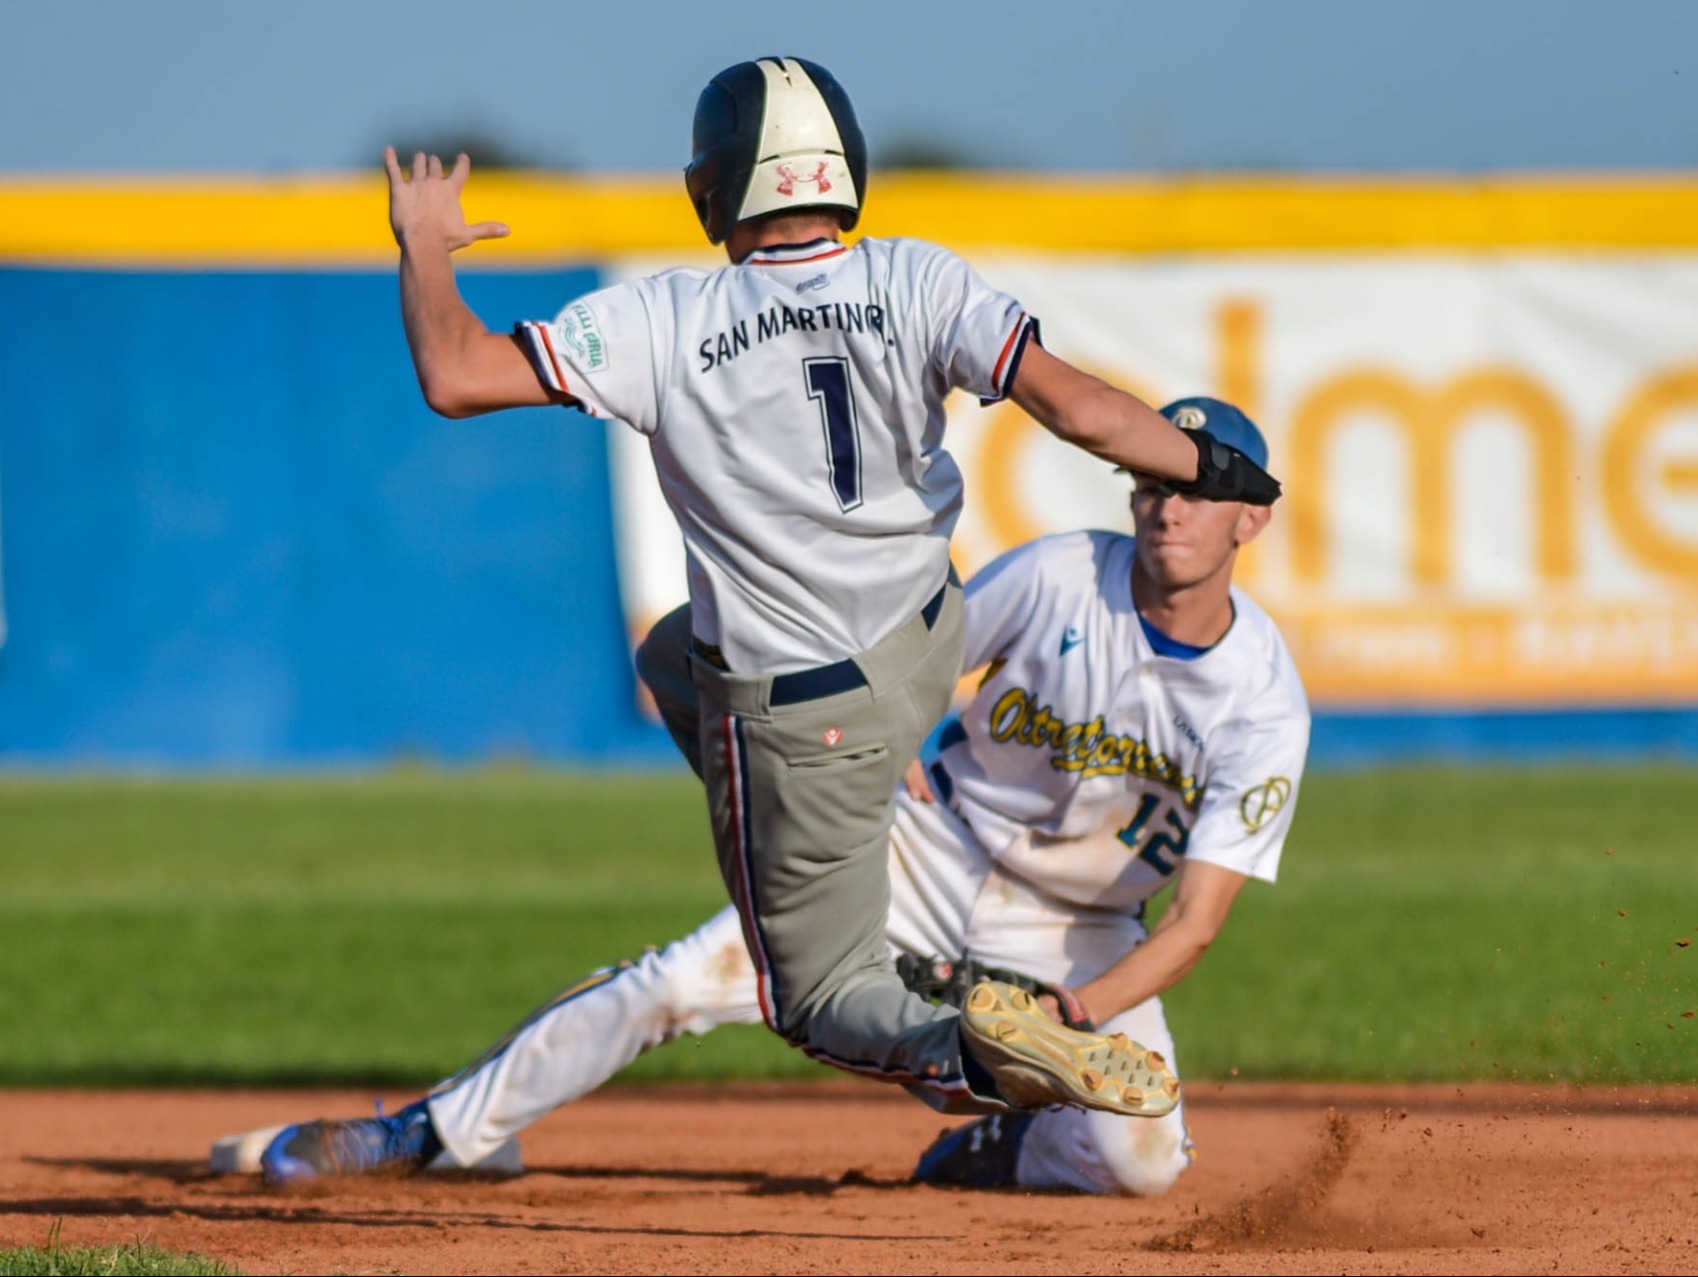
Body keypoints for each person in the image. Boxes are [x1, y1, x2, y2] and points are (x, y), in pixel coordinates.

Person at [283, 53, 1282, 1169]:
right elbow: (1086, 412)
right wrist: (1209, 460)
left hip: (801, 714)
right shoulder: (917, 276)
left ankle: (981, 1057)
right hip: (919, 643)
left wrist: (423, 244)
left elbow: (456, 374)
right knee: (676, 652)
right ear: (841, 171)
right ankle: (797, 865)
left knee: (813, 997)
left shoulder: (665, 314)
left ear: (712, 187)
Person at [258, 397, 1308, 1193]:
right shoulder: (1061, 574)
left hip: (1086, 930)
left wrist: (1070, 1021)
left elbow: (1198, 921)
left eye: (1199, 488)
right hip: (928, 847)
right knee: (679, 980)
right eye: (1152, 480)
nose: (1169, 504)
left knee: (1142, 1156)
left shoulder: (1261, 701)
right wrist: (883, 739)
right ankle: (430, 1133)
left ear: (1249, 521)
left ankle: (1003, 1140)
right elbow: (919, 666)